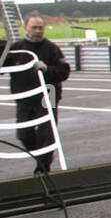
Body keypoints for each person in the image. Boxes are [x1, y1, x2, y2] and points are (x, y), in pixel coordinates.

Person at [3, 13, 70, 173]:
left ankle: (43, 167)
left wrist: (46, 68)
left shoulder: (52, 49)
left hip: (49, 94)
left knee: (47, 132)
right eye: (34, 27)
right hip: (24, 97)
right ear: (25, 27)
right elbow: (2, 67)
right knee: (24, 134)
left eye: (41, 27)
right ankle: (40, 156)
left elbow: (64, 71)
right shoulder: (16, 49)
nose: (38, 30)